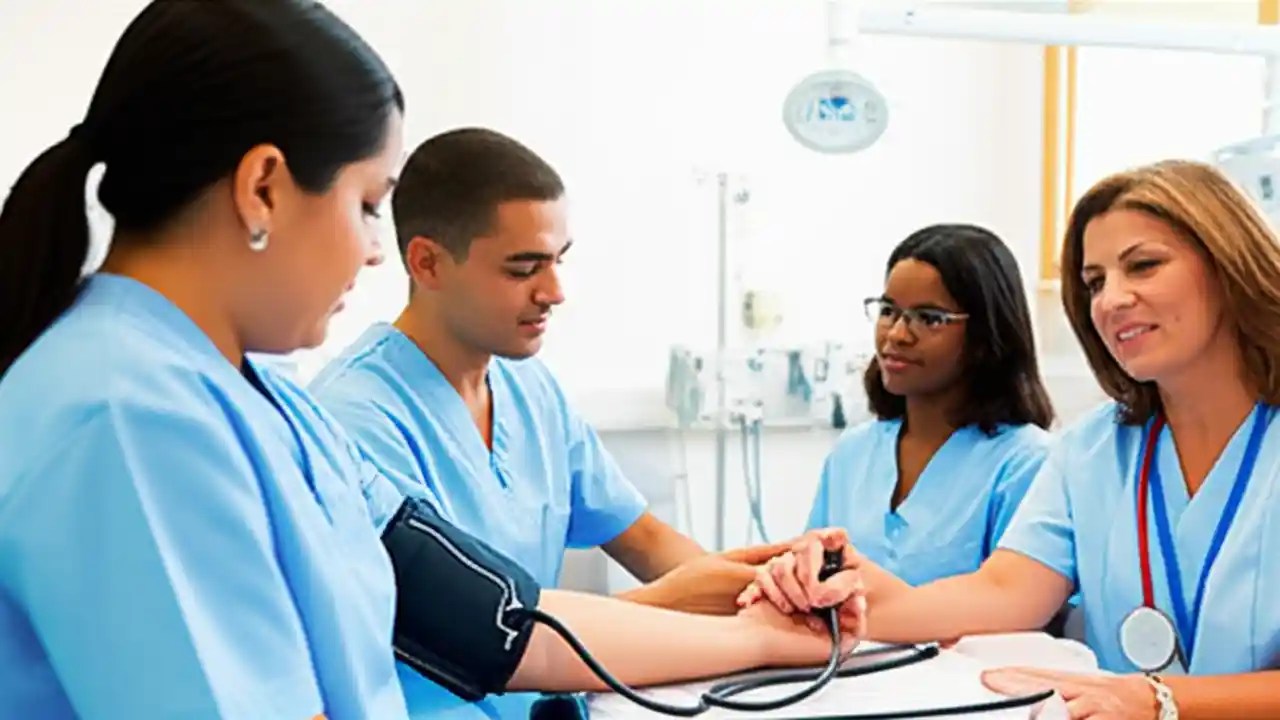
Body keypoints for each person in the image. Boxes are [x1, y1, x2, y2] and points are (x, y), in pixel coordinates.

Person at [0, 3, 863, 720]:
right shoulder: (128, 417)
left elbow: (498, 625)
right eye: (368, 204)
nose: (374, 251)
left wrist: (765, 635)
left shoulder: (265, 400)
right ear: (263, 186)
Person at [745, 160, 1280, 718]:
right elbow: (1005, 591)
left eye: (1143, 266)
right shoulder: (1093, 451)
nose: (1111, 300)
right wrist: (845, 595)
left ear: (1229, 265)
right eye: (1095, 282)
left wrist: (1160, 699)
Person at [310, 128, 773, 605]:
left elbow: (646, 540)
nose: (554, 291)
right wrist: (674, 602)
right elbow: (480, 630)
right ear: (427, 264)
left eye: (558, 261)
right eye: (522, 269)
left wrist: (766, 593)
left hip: (551, 675)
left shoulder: (529, 389)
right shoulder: (354, 419)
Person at [803, 224, 1054, 590]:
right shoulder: (852, 453)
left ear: (987, 334)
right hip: (841, 649)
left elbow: (1022, 609)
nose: (897, 334)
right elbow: (810, 577)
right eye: (889, 310)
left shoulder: (1026, 463)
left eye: (930, 318)